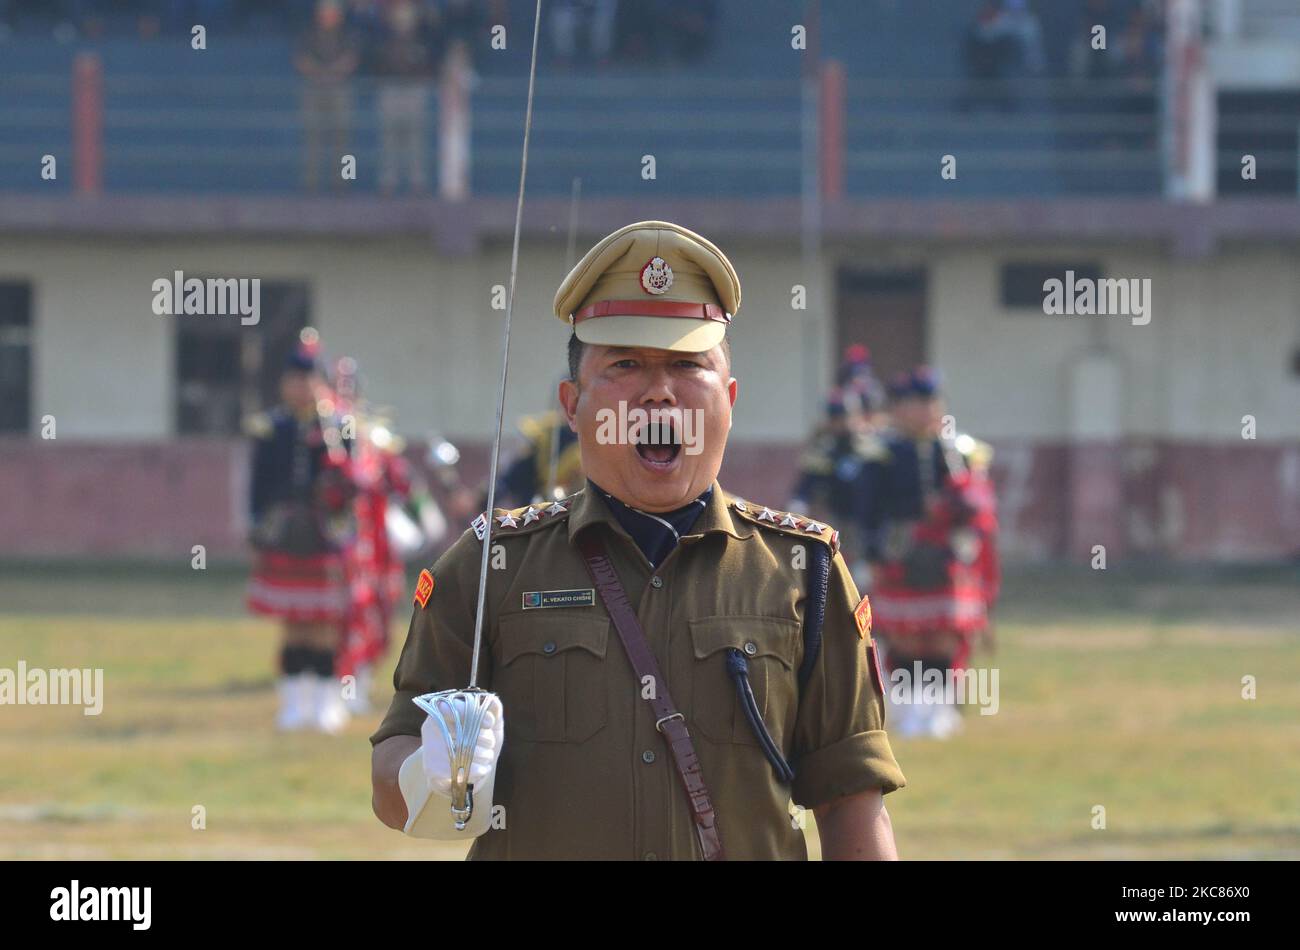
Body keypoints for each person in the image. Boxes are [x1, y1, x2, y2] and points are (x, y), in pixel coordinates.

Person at [370, 221, 905, 860]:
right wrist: (427, 772)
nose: (658, 390)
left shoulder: (802, 572)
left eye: (687, 365)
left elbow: (850, 800)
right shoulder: (493, 567)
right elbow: (391, 772)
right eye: (625, 365)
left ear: (729, 400)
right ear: (572, 405)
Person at [857, 368, 1000, 740]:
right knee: (904, 635)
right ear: (899, 409)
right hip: (898, 555)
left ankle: (937, 710)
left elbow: (977, 508)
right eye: (915, 404)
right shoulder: (881, 453)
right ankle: (906, 710)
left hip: (945, 556)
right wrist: (872, 553)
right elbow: (868, 509)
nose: (925, 411)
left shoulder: (959, 451)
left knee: (941, 634)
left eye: (931, 403)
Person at [246, 333, 356, 733]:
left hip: (325, 535)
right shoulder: (270, 428)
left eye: (309, 379)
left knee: (325, 622)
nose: (301, 387)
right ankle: (293, 703)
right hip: (284, 535)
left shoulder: (339, 428)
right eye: (294, 379)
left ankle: (326, 703)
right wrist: (256, 533)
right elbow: (257, 488)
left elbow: (350, 488)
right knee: (293, 620)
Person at [295, 0, 360, 192]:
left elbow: (352, 59)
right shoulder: (308, 34)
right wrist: (319, 74)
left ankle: (342, 182)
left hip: (340, 89)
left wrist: (333, 73)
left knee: (342, 137)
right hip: (313, 89)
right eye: (325, 12)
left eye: (332, 12)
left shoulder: (348, 35)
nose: (328, 15)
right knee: (312, 137)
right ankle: (311, 183)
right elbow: (300, 59)